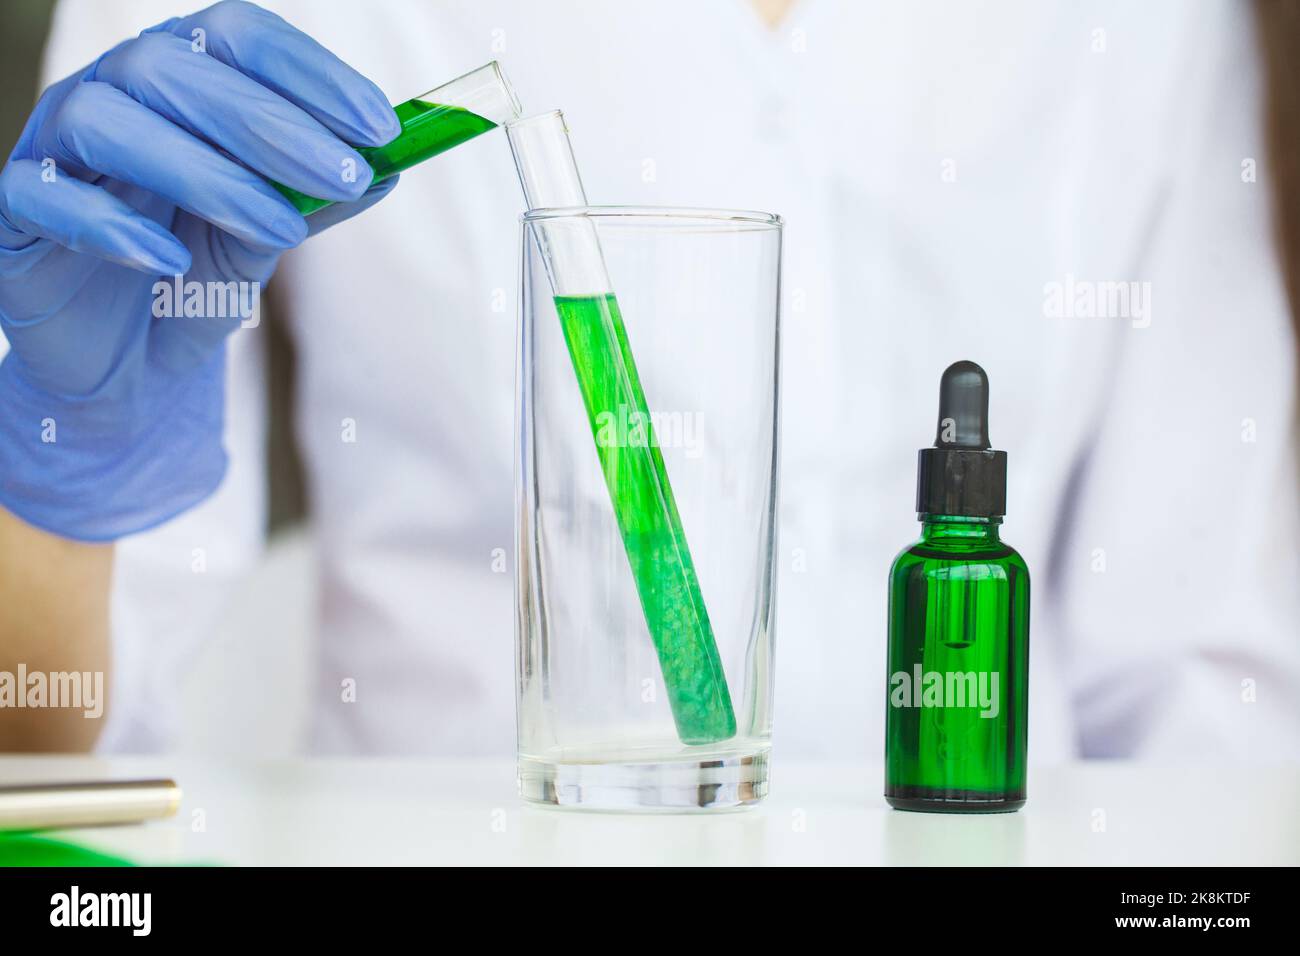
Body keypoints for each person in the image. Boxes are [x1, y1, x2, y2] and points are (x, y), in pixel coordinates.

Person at [2, 0, 1297, 761]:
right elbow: (47, 752)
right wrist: (60, 476)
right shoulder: (211, 47)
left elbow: (1205, 692)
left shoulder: (1147, 25)